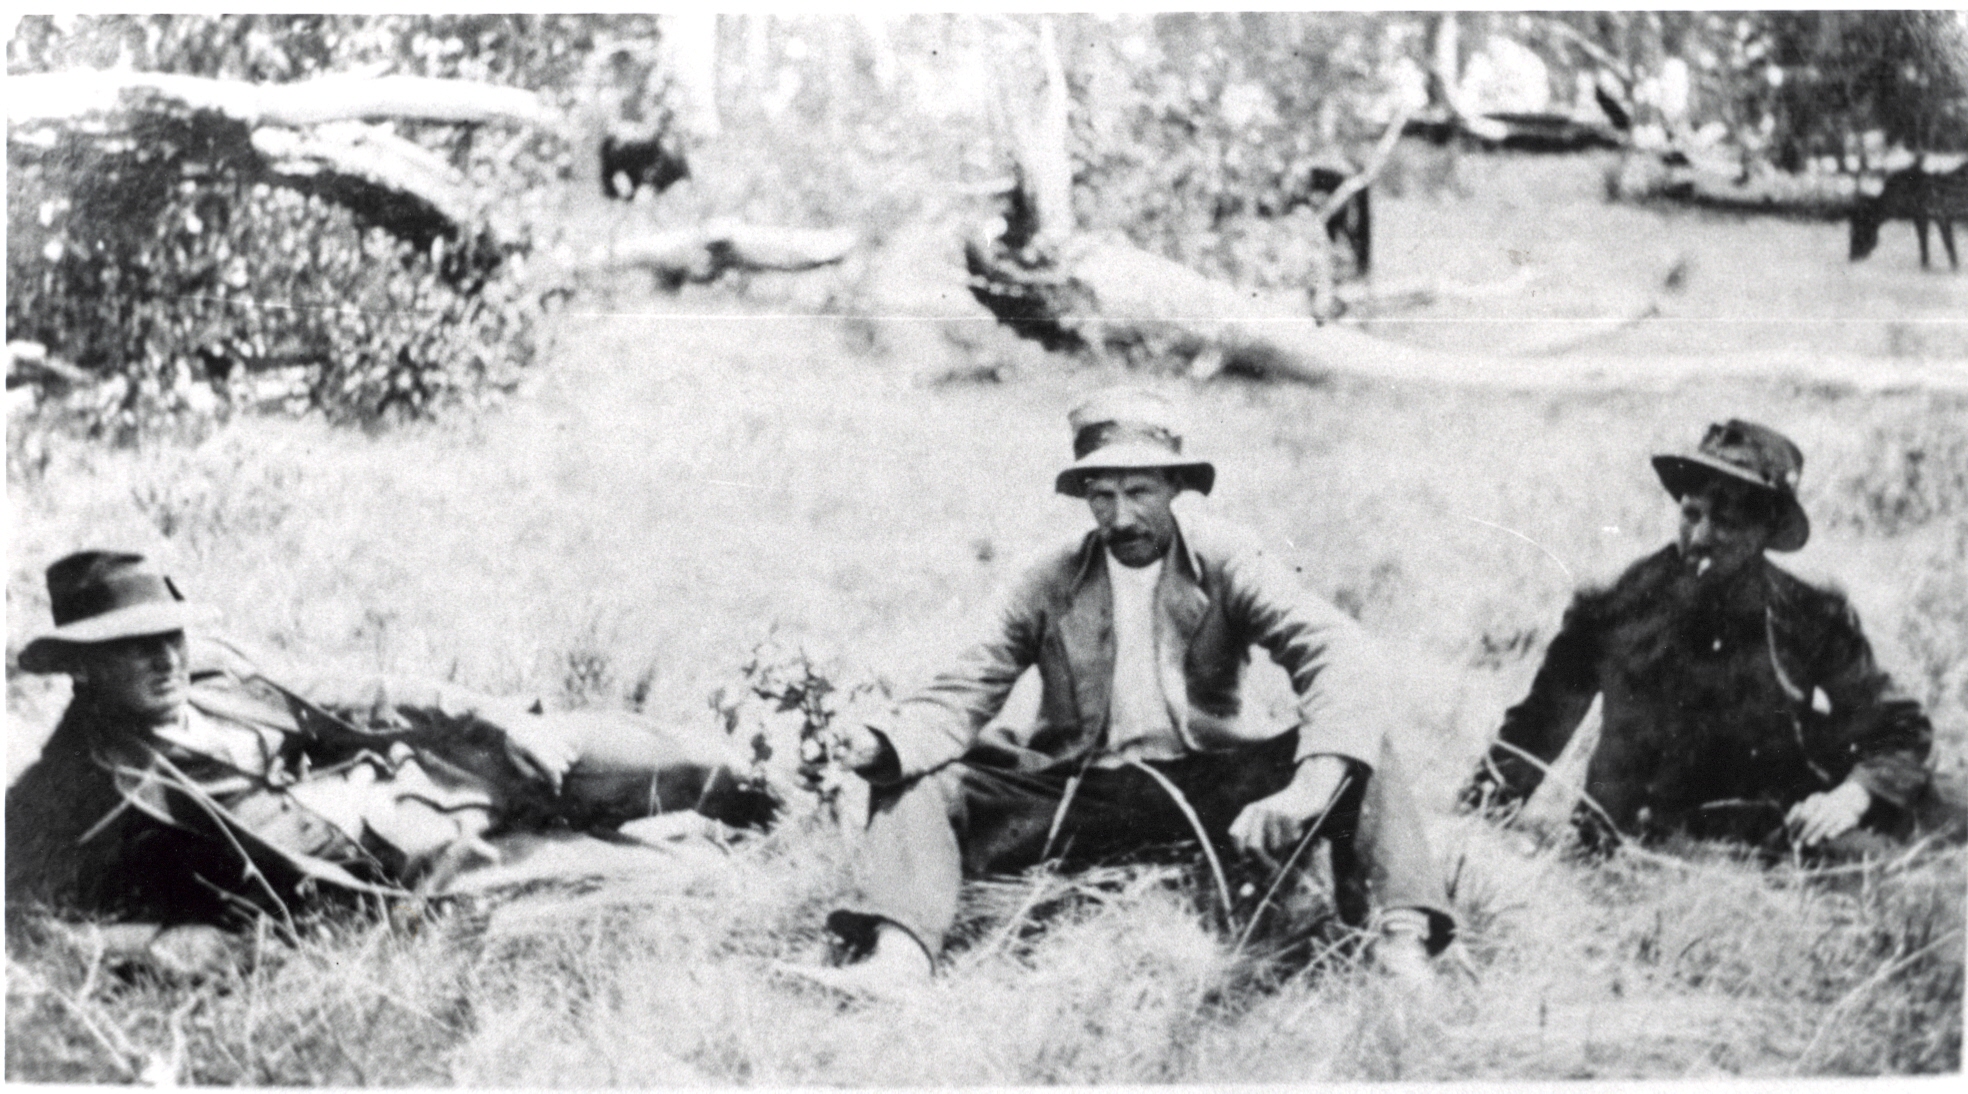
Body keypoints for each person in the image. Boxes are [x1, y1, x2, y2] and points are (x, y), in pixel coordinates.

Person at [801, 387, 1456, 995]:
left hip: (1209, 787)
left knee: (1361, 751)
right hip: (1082, 795)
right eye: (1102, 495)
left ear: (1175, 486)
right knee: (917, 776)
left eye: (1140, 491)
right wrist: (874, 743)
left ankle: (1401, 945)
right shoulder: (1049, 579)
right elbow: (967, 687)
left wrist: (1310, 785)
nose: (1121, 516)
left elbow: (1338, 651)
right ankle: (900, 958)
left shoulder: (1227, 559)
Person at [6, 551, 775, 966]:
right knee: (684, 887)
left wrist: (492, 718)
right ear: (82, 666)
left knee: (696, 766)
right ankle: (725, 866)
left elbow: (354, 695)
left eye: (167, 634)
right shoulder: (71, 784)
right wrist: (152, 944)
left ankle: (799, 791)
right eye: (131, 647)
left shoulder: (217, 672)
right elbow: (21, 920)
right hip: (397, 867)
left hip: (426, 772)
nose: (163, 658)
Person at [1459, 420, 1963, 854]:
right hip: (1642, 843)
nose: (1700, 538)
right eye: (1692, 514)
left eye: (1725, 521)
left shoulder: (1810, 613)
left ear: (1765, 529)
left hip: (1781, 828)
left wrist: (1850, 797)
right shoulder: (1613, 604)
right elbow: (1534, 732)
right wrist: (1472, 827)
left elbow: (1899, 727)